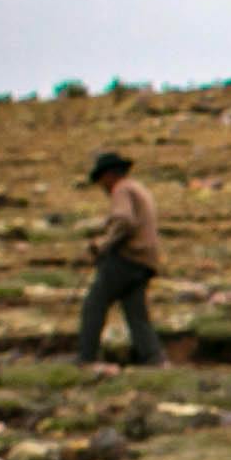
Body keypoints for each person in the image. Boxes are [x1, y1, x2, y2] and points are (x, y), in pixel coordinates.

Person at [76, 149, 163, 363]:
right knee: (136, 312)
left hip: (128, 257)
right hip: (146, 260)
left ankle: (86, 358)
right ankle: (153, 358)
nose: (102, 186)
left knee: (94, 304)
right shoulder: (139, 189)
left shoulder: (121, 190)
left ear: (109, 175)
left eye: (101, 180)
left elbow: (124, 220)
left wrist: (103, 245)